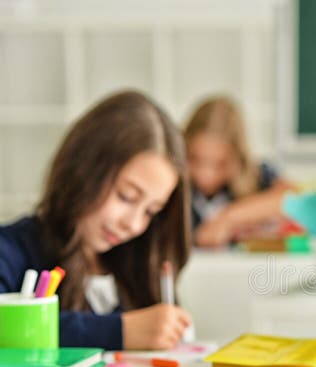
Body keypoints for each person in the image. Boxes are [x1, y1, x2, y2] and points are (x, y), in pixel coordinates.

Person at [0, 90, 192, 350]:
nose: (134, 224)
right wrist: (119, 332)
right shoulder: (12, 250)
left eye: (150, 211)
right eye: (126, 196)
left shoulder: (138, 265)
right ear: (85, 170)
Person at [184, 96, 295, 247]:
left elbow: (293, 200)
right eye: (194, 159)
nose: (205, 175)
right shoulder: (174, 183)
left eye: (220, 165)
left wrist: (228, 218)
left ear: (238, 158)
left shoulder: (256, 175)